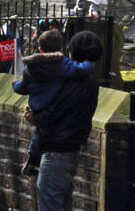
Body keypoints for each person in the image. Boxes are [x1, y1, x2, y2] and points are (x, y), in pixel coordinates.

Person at [27, 30, 103, 211]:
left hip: (56, 151)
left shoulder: (70, 83)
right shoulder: (91, 82)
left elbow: (53, 115)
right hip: (71, 151)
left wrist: (35, 117)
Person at [12, 27, 95, 175]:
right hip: (51, 103)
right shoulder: (62, 64)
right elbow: (79, 70)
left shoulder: (30, 68)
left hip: (36, 106)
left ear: (40, 48)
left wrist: (14, 85)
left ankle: (32, 157)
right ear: (61, 48)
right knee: (41, 132)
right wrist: (90, 63)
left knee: (39, 132)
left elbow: (23, 88)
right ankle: (34, 159)